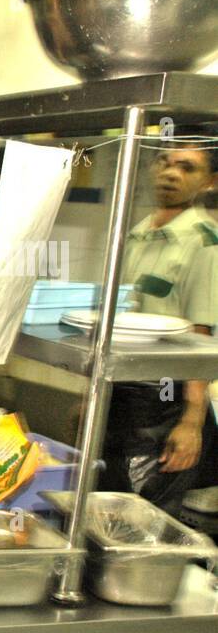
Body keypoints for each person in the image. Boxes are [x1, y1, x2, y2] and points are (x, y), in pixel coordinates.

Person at [102, 146, 218, 516]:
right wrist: (96, 396)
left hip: (167, 399)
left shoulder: (205, 243)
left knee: (145, 514)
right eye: (165, 163)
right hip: (122, 393)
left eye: (187, 168)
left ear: (209, 182)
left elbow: (200, 338)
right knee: (107, 503)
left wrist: (191, 421)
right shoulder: (136, 234)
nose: (171, 173)